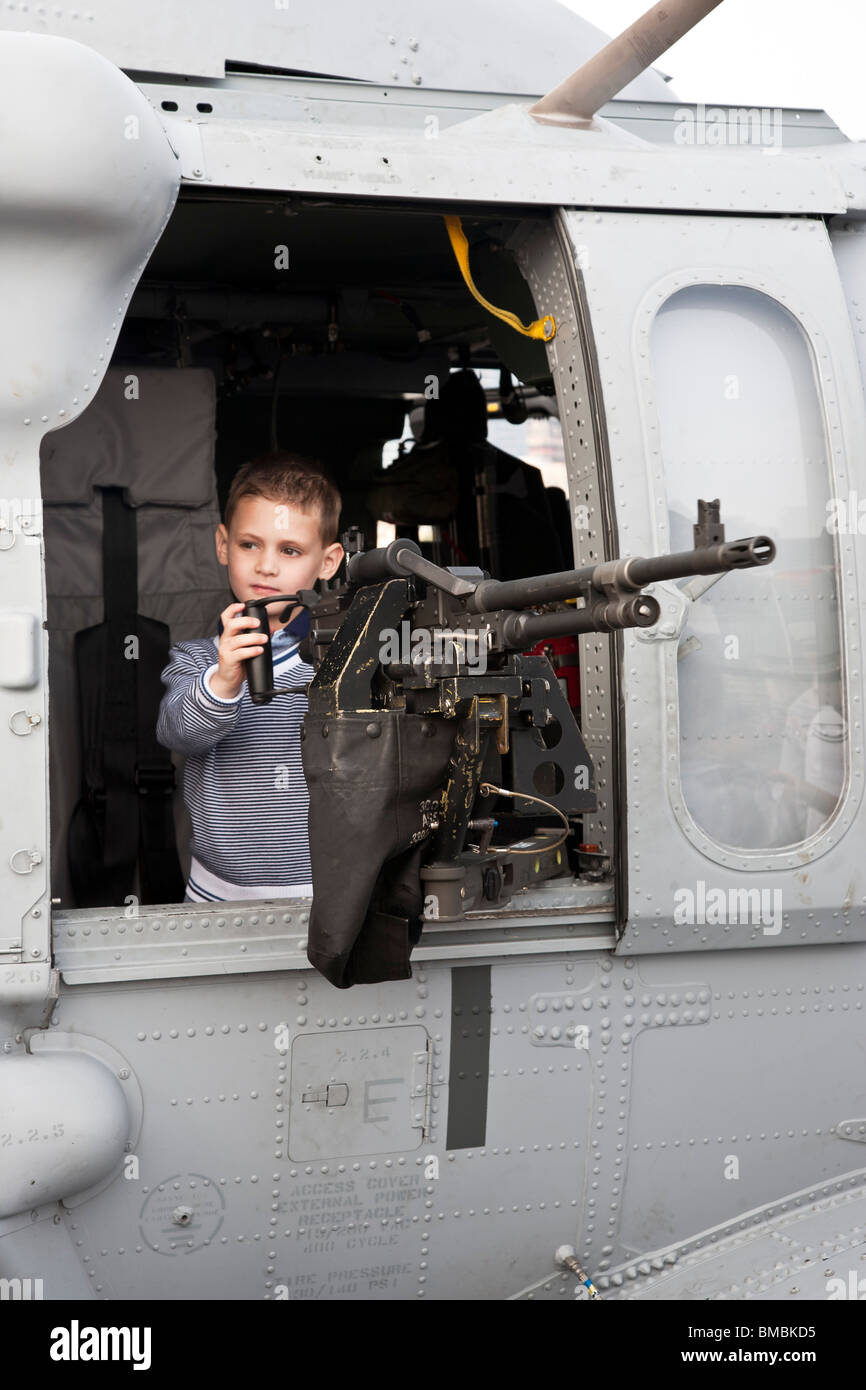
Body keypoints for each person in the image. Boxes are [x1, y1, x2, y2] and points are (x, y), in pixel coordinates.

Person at [156, 451, 343, 903]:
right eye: (249, 544)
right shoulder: (196, 659)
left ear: (328, 562)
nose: (266, 566)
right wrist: (224, 681)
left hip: (324, 892)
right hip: (215, 891)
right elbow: (176, 734)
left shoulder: (344, 661)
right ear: (223, 545)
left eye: (290, 550)